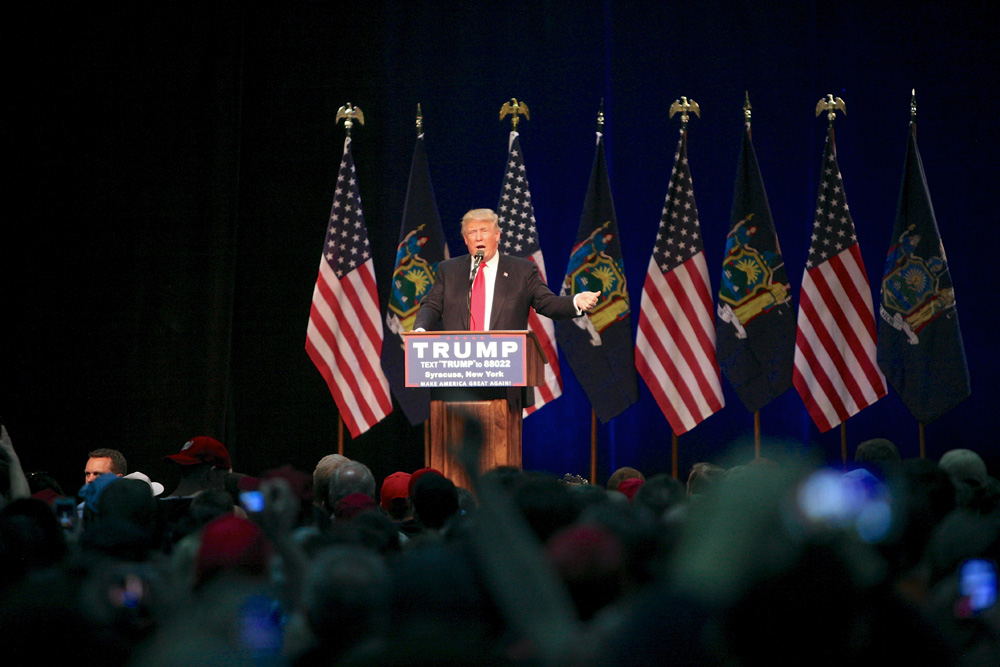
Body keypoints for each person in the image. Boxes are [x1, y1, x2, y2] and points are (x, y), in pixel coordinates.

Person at [412, 208, 600, 409]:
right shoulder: (449, 270)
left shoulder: (522, 270)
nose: (478, 237)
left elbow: (547, 303)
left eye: (483, 231)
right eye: (471, 233)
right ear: (466, 240)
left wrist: (576, 301)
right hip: (455, 380)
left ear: (497, 235)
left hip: (504, 381)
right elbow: (431, 305)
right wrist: (420, 331)